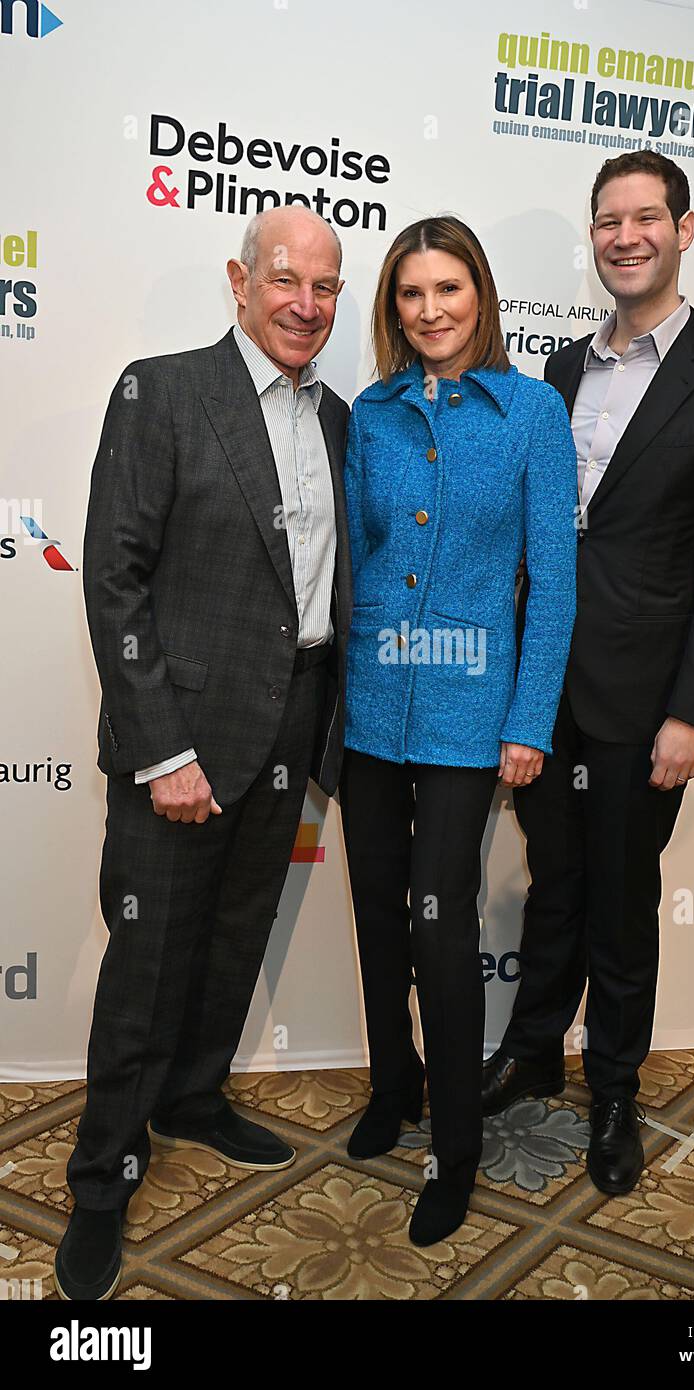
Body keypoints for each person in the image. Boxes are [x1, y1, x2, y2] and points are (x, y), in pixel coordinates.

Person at [56, 207, 352, 1300]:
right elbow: (114, 580)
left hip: (288, 726)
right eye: (286, 281)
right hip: (178, 737)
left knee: (232, 942)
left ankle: (191, 1097)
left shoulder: (339, 423)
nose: (306, 305)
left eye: (325, 288)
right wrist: (160, 747)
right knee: (147, 964)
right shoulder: (163, 390)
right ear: (239, 280)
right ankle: (99, 1180)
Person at [482, 152, 694, 1197]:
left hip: (645, 698)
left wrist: (692, 710)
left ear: (684, 229)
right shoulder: (556, 371)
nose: (625, 236)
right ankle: (531, 1054)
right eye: (608, 220)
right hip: (544, 691)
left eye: (645, 217)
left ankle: (613, 1090)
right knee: (551, 882)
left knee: (618, 897)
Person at [338, 215, 578, 1247]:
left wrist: (528, 720)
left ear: (481, 295)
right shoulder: (372, 416)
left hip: (468, 721)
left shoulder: (530, 412)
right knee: (379, 918)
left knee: (441, 924)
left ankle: (456, 1145)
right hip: (370, 713)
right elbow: (348, 568)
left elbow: (554, 584)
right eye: (409, 293)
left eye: (449, 289)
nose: (430, 310)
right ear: (393, 309)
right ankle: (394, 1086)